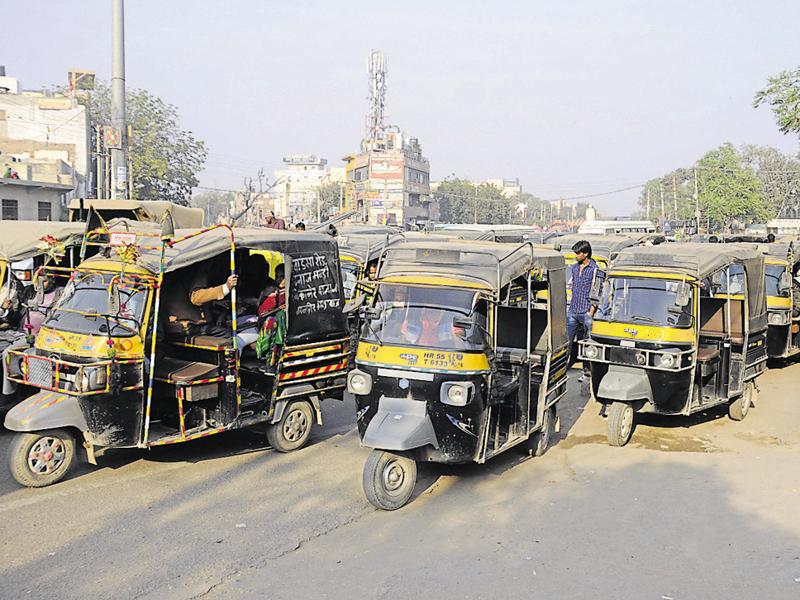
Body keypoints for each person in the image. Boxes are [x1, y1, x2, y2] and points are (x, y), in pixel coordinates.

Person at [164, 268, 238, 337]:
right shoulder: (198, 270)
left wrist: (213, 303)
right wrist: (225, 287)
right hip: (187, 326)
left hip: (171, 325)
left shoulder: (173, 270)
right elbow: (196, 297)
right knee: (230, 335)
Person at [568, 240, 601, 383]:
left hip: (586, 312)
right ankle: (562, 369)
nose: (576, 256)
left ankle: (587, 372)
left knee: (587, 344)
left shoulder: (595, 270)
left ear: (585, 254)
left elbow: (598, 291)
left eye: (578, 253)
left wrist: (591, 312)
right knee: (567, 343)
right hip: (573, 310)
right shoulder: (574, 268)